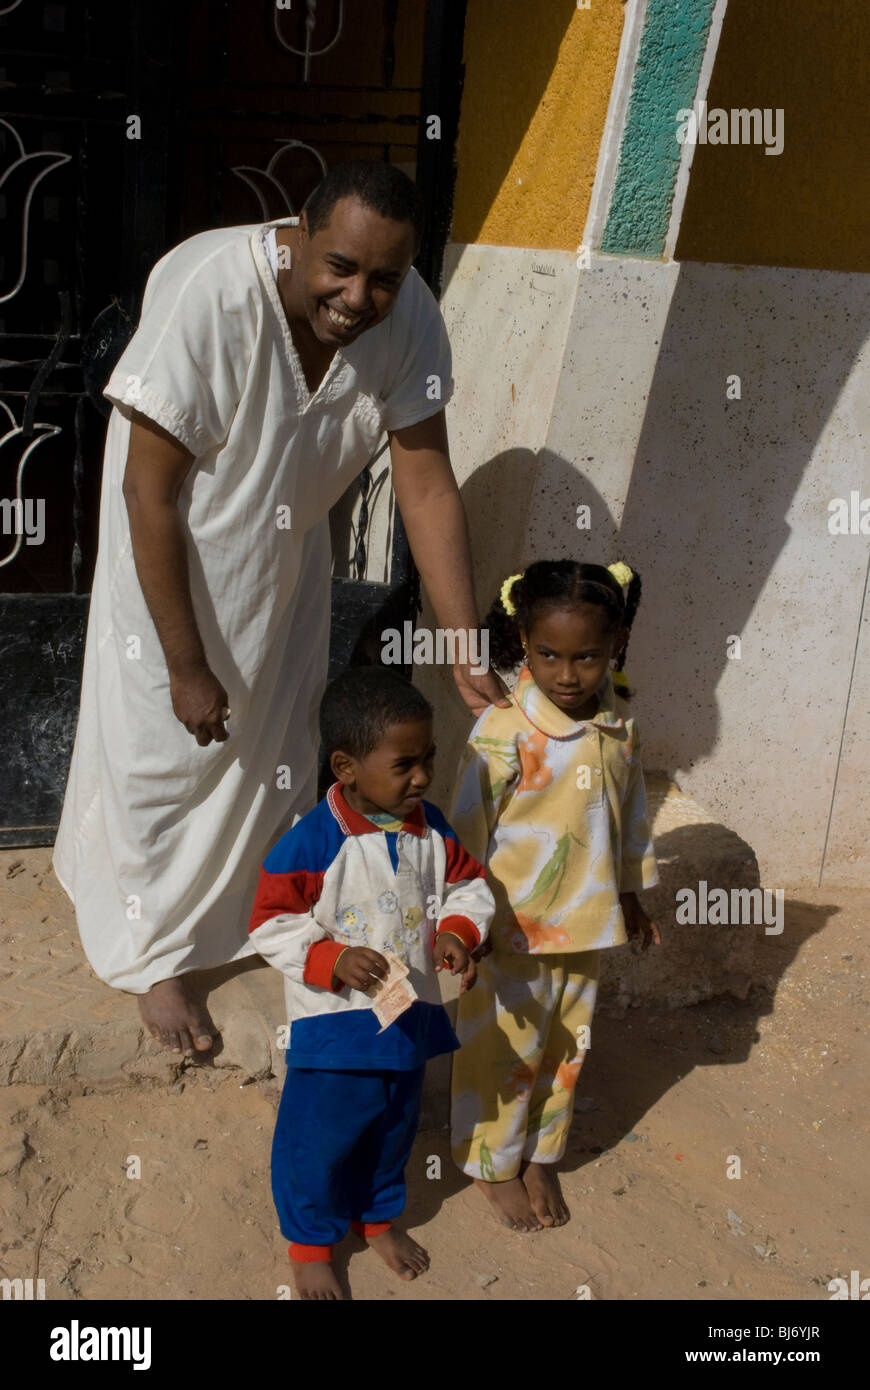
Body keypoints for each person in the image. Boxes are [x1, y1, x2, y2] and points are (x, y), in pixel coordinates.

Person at [52, 160, 507, 1059]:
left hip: (284, 557)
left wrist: (462, 644)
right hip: (169, 553)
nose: (358, 295)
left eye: (384, 277)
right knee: (160, 753)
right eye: (339, 266)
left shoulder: (407, 315)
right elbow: (150, 494)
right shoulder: (214, 295)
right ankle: (152, 955)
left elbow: (423, 479)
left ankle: (258, 916)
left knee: (267, 746)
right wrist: (184, 664)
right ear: (298, 234)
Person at [247, 666, 494, 1300]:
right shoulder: (312, 841)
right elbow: (270, 922)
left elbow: (468, 885)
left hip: (409, 1017)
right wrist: (329, 957)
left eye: (428, 759)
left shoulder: (431, 828)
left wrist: (459, 932)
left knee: (392, 1127)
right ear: (346, 767)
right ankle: (310, 1243)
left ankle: (377, 1217)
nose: (421, 777)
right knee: (321, 1136)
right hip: (335, 1028)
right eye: (404, 764)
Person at [448, 560, 662, 1232]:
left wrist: (630, 897)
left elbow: (628, 819)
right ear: (523, 641)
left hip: (587, 929)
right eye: (549, 655)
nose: (568, 675)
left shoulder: (618, 727)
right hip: (510, 932)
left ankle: (539, 1151)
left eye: (588, 657)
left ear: (616, 645)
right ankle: (491, 1163)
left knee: (566, 1047)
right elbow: (464, 837)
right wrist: (460, 923)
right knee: (502, 1050)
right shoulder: (501, 733)